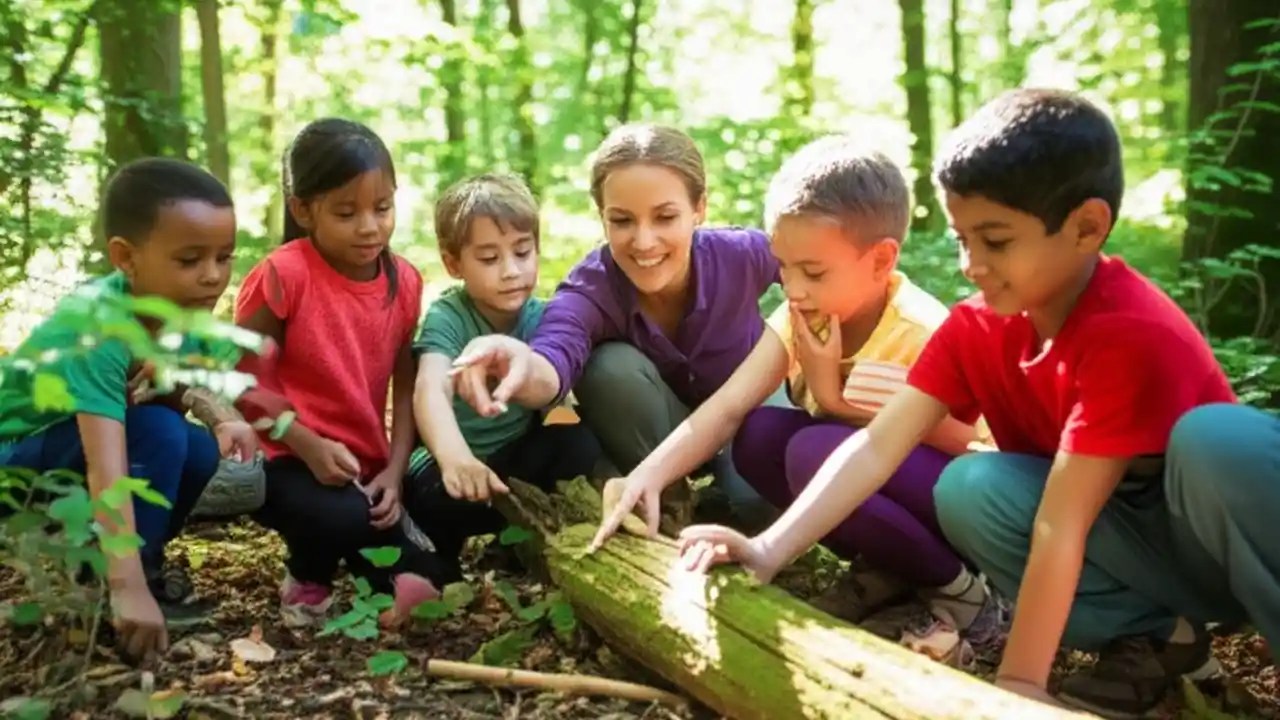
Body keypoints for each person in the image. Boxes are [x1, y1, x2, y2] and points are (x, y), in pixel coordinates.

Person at [675, 89, 1278, 717]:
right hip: (1143, 552)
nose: (970, 265)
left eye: (995, 241)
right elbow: (879, 444)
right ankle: (1158, 638)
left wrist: (1019, 681)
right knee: (972, 487)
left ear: (1086, 228)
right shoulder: (979, 328)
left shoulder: (1127, 329)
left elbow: (1062, 523)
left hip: (1225, 543)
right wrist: (770, 547)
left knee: (1217, 441)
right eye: (963, 238)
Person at [591, 135, 1000, 648]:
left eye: (812, 272)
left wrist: (837, 402)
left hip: (958, 507)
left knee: (812, 447)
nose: (793, 288)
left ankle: (962, 592)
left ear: (879, 261)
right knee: (759, 436)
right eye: (783, 267)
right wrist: (648, 474)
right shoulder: (802, 314)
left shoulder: (919, 331)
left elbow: (983, 457)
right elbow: (730, 405)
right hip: (871, 484)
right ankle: (889, 571)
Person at [450, 123, 782, 530]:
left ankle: (726, 496)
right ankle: (668, 498)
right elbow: (552, 361)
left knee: (757, 505)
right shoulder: (591, 288)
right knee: (606, 366)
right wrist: (519, 364)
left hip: (750, 410)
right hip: (658, 433)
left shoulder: (742, 255)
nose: (644, 241)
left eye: (665, 217)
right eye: (622, 220)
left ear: (699, 209)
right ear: (603, 217)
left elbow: (831, 275)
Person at [0, 158, 257, 661]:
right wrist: (126, 585)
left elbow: (163, 383)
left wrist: (219, 414)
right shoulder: (97, 325)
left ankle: (138, 565)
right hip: (13, 464)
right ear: (125, 256)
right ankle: (115, 586)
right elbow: (106, 464)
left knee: (199, 449)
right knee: (161, 434)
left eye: (224, 257)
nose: (213, 276)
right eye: (190, 260)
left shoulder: (169, 308)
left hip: (58, 453)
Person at [236, 118, 448, 630]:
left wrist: (395, 473)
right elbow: (243, 382)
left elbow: (406, 385)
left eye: (383, 208)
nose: (371, 227)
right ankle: (308, 574)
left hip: (363, 466)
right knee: (342, 517)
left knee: (431, 581)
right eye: (347, 212)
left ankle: (363, 559)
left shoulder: (406, 281)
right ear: (303, 209)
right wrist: (306, 443)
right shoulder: (283, 276)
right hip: (284, 457)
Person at [408, 173, 602, 573]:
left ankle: (519, 542)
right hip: (454, 471)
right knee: (423, 496)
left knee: (577, 440)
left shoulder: (545, 317)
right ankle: (436, 558)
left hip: (514, 466)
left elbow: (561, 396)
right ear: (453, 263)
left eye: (522, 252)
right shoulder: (450, 316)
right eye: (489, 258)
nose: (511, 270)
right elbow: (430, 386)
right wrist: (456, 459)